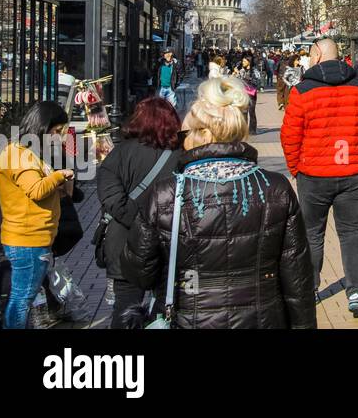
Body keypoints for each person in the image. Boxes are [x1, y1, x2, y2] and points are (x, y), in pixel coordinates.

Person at [121, 77, 315, 328]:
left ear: (196, 134)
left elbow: (138, 271)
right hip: (262, 317)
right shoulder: (275, 189)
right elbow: (297, 278)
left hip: (189, 315)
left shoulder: (168, 193)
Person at [280, 37, 358, 319]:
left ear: (316, 55)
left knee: (312, 234)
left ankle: (310, 289)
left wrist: (296, 168)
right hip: (352, 173)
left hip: (313, 175)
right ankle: (357, 293)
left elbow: (290, 135)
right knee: (352, 233)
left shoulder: (302, 91)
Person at [95, 97, 181, 327]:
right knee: (165, 305)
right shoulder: (180, 156)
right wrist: (154, 225)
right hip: (167, 241)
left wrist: (136, 221)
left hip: (124, 240)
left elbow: (110, 196)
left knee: (124, 305)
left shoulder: (119, 154)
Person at [0, 101, 73, 329]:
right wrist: (59, 176)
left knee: (22, 298)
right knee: (22, 300)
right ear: (43, 127)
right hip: (27, 239)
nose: (58, 138)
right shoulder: (19, 154)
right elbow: (36, 189)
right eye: (57, 131)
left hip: (32, 238)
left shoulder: (25, 153)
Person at [235, 54, 261, 135]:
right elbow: (237, 80)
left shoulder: (254, 70)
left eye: (244, 61)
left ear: (249, 62)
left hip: (251, 94)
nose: (243, 62)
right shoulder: (242, 70)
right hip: (243, 93)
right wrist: (237, 73)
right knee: (244, 112)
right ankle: (244, 130)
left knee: (251, 111)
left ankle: (252, 130)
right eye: (243, 61)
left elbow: (258, 81)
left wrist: (247, 78)